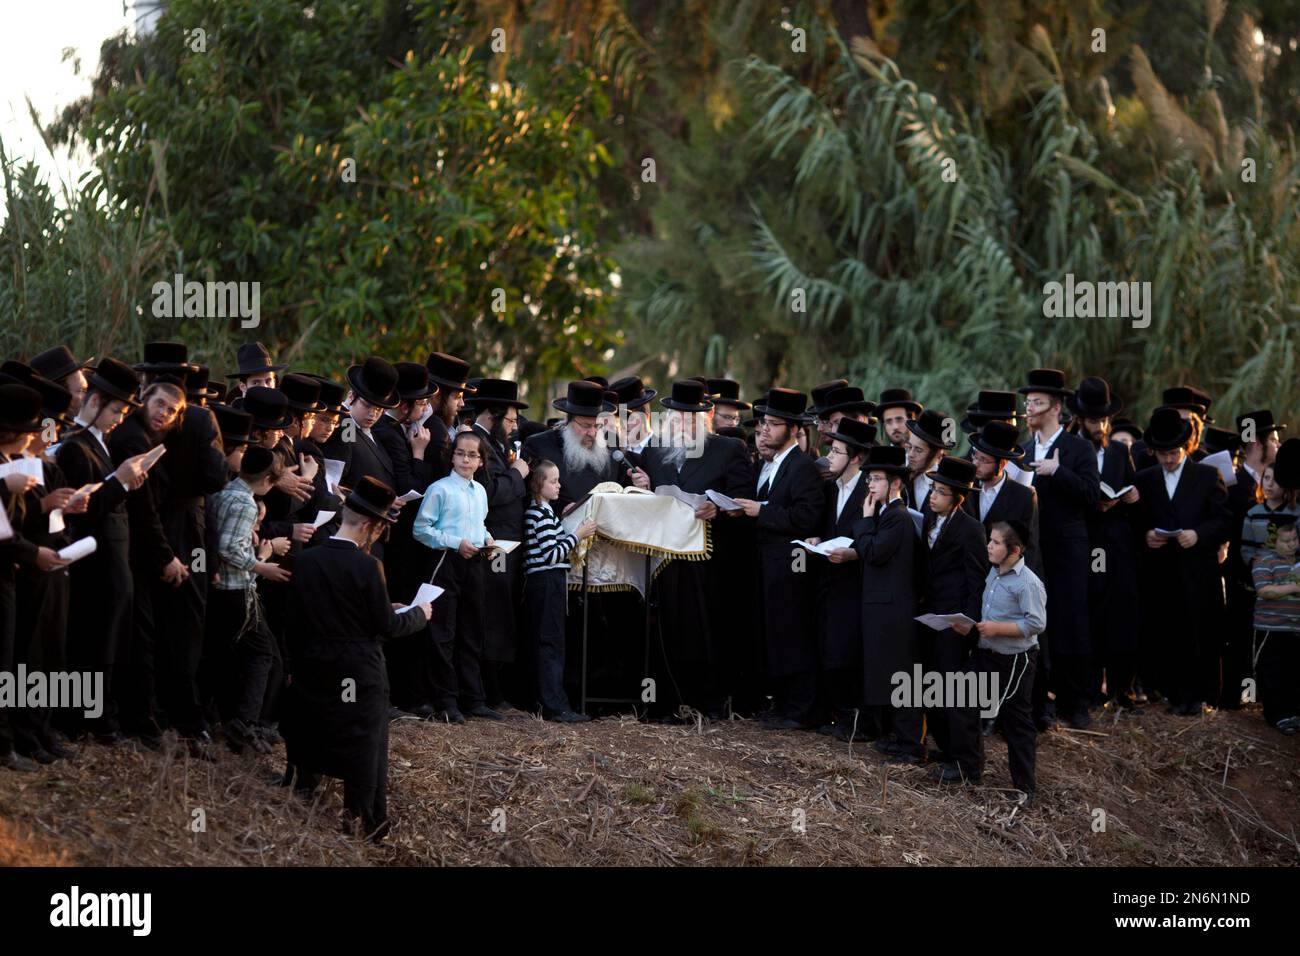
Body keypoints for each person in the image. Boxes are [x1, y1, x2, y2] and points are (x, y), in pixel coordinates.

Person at [282, 476, 433, 842]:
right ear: (369, 525)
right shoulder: (368, 567)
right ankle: (362, 819)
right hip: (358, 668)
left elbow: (295, 619)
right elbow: (384, 626)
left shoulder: (306, 561)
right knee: (365, 743)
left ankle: (305, 787)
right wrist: (419, 614)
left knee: (315, 726)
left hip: (315, 663)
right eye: (381, 529)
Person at [638, 380, 753, 719]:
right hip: (663, 559)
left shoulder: (727, 450)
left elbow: (743, 503)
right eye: (676, 416)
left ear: (706, 417)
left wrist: (717, 509)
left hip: (707, 563)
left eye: (690, 418)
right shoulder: (655, 450)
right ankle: (662, 702)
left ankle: (708, 702)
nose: (682, 423)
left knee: (703, 630)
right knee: (663, 628)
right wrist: (641, 486)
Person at [55, 358, 153, 744]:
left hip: (116, 552)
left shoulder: (100, 444)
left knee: (111, 636)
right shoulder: (75, 448)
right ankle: (91, 719)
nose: (117, 419)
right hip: (95, 555)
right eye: (115, 411)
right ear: (94, 402)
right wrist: (121, 483)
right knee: (94, 638)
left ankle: (100, 714)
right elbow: (87, 508)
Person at [733, 388, 824, 728]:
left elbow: (807, 517)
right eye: (763, 424)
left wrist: (762, 511)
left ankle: (801, 710)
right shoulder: (767, 466)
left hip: (791, 567)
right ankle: (782, 704)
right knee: (773, 634)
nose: (765, 430)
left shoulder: (803, 468)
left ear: (792, 428)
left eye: (773, 424)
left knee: (793, 634)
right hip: (766, 565)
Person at [1133, 406, 1231, 716]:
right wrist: (1147, 534)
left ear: (1185, 446)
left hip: (1198, 570)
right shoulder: (1146, 478)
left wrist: (1198, 534)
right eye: (1162, 453)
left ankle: (1202, 696)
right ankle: (1174, 695)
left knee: (1201, 632)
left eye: (1173, 451)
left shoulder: (1206, 475)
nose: (1168, 459)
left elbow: (1224, 520)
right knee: (1168, 631)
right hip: (1162, 572)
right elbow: (1135, 521)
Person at [1019, 369, 1100, 731]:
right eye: (1027, 402)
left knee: (1071, 621)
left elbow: (1092, 495)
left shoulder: (1078, 448)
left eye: (1035, 402)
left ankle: (1076, 700)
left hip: (1068, 548)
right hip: (1033, 549)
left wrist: (1058, 471)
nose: (1028, 408)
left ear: (1054, 407)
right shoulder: (1022, 450)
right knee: (1037, 622)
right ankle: (1040, 700)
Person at [206, 445, 291, 753]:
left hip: (224, 589)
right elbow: (228, 548)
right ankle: (245, 722)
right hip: (236, 589)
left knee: (229, 655)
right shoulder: (245, 503)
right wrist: (262, 564)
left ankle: (232, 719)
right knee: (262, 654)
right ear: (268, 479)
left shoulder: (225, 492)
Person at [412, 429, 499, 722]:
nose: (465, 459)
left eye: (472, 455)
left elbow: (480, 523)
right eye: (460, 453)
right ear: (452, 456)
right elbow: (421, 530)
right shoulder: (440, 489)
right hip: (445, 562)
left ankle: (473, 699)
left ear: (481, 461)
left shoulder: (481, 491)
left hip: (474, 562)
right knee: (442, 632)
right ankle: (445, 701)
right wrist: (453, 543)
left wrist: (488, 538)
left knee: (472, 630)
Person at [1068, 376, 1141, 713]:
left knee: (1119, 613)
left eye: (1104, 419)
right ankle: (1088, 688)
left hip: (1115, 544)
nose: (1100, 426)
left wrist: (1128, 498)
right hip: (1086, 542)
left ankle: (1121, 689)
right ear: (1081, 420)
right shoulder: (1069, 449)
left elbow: (1130, 488)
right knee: (1088, 611)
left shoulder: (1118, 450)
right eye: (1094, 420)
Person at [852, 444, 925, 762]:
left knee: (901, 673)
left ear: (896, 482)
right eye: (869, 477)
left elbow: (873, 552)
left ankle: (912, 745)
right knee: (888, 671)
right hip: (883, 607)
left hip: (894, 610)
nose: (870, 483)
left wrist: (865, 521)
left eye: (877, 478)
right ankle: (900, 737)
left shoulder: (897, 518)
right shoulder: (889, 514)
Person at [966, 520, 1047, 804]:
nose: (989, 545)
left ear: (1013, 550)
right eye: (990, 540)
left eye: (996, 542)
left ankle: (1025, 787)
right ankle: (970, 768)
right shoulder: (994, 573)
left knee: (1016, 720)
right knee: (965, 703)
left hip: (1015, 659)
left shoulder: (1027, 583)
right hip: (987, 653)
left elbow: (1036, 623)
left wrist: (999, 629)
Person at [917, 456, 987, 781]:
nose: (933, 496)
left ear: (958, 497)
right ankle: (946, 751)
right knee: (931, 686)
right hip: (930, 616)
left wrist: (969, 623)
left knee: (956, 691)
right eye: (932, 488)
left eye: (941, 491)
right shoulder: (928, 519)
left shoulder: (971, 529)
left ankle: (967, 763)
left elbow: (977, 581)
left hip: (955, 621)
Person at [464, 378, 531, 713]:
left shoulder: (496, 443)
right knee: (490, 618)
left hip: (509, 546)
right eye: (510, 419)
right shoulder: (476, 445)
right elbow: (487, 495)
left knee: (503, 616)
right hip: (492, 546)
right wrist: (518, 473)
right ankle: (485, 696)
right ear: (491, 415)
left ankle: (497, 693)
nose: (514, 426)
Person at [807, 417, 874, 740]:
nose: (829, 457)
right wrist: (818, 541)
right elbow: (829, 528)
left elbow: (874, 536)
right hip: (830, 580)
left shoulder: (869, 490)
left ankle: (859, 719)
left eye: (837, 451)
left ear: (856, 457)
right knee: (831, 647)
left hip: (857, 584)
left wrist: (855, 552)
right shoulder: (833, 487)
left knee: (851, 651)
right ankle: (839, 712)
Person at [524, 460, 597, 722]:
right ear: (538, 484)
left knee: (552, 642)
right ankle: (554, 706)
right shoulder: (537, 513)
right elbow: (552, 553)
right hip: (545, 582)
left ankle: (551, 702)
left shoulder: (547, 512)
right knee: (549, 643)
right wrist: (577, 534)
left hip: (550, 581)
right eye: (553, 481)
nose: (559, 485)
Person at [1248, 516, 1300, 733]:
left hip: (1295, 628)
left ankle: (1293, 713)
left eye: (1295, 540)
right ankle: (1276, 715)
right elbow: (1264, 590)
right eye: (1286, 541)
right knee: (1272, 673)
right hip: (1271, 627)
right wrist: (1295, 586)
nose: (1292, 545)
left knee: (1293, 672)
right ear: (1273, 541)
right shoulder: (1264, 560)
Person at [905, 408, 955, 511]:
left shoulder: (948, 485)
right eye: (909, 447)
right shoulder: (900, 472)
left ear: (937, 453)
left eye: (918, 450)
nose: (910, 454)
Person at [28, 345, 93, 415]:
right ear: (60, 393)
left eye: (85, 390)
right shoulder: (48, 424)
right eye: (80, 391)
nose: (87, 398)